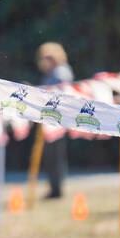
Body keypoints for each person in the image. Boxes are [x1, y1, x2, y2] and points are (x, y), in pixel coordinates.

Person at [36, 42, 73, 200]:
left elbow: (60, 91)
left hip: (57, 119)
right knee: (51, 157)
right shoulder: (52, 72)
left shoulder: (61, 72)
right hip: (49, 118)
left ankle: (57, 189)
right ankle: (54, 188)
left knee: (55, 156)